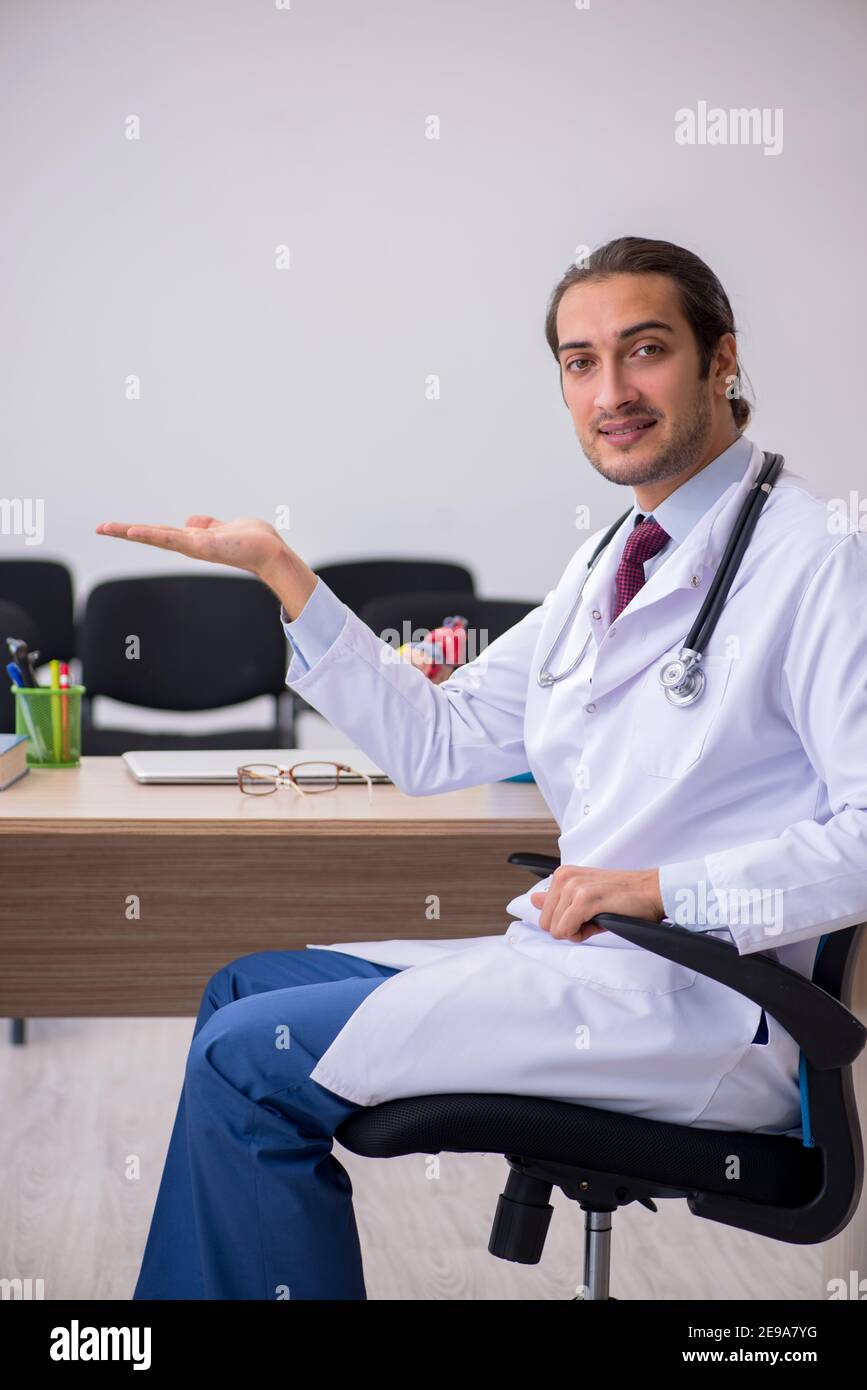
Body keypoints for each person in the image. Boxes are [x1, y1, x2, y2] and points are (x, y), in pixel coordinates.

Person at [97, 236, 867, 1300]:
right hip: (593, 969)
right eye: (579, 361)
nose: (611, 391)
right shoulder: (608, 561)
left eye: (644, 351)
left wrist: (654, 887)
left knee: (246, 1057)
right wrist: (285, 576)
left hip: (696, 1008)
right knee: (244, 990)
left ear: (721, 358)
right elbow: (439, 741)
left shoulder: (819, 558)